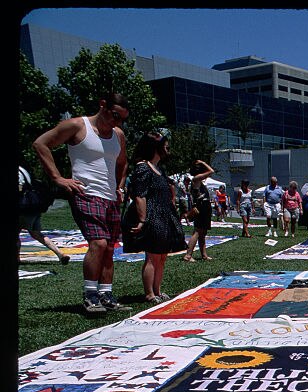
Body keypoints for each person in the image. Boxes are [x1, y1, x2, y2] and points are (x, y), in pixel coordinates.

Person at [33, 92, 130, 313]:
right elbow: (41, 144)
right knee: (99, 244)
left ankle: (106, 295)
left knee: (109, 248)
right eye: (115, 115)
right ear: (103, 106)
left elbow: (123, 162)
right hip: (85, 193)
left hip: (110, 198)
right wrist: (58, 178)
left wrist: (120, 186)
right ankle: (90, 295)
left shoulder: (118, 135)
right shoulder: (77, 126)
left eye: (122, 119)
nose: (117, 122)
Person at [122, 129, 186, 303]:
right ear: (155, 147)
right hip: (152, 216)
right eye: (165, 146)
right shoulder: (143, 167)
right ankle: (149, 293)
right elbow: (140, 195)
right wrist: (143, 219)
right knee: (153, 255)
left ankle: (157, 290)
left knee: (162, 256)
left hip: (164, 216)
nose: (168, 149)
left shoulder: (159, 169)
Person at [18, 165, 71, 264]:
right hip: (34, 206)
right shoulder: (24, 170)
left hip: (24, 208)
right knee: (37, 234)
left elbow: (20, 188)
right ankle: (60, 253)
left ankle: (16, 259)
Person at [184, 160, 214, 261]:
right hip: (201, 206)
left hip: (204, 206)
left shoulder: (198, 181)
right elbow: (211, 171)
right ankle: (188, 255)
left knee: (203, 232)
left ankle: (204, 254)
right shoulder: (196, 179)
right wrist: (203, 162)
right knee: (197, 231)